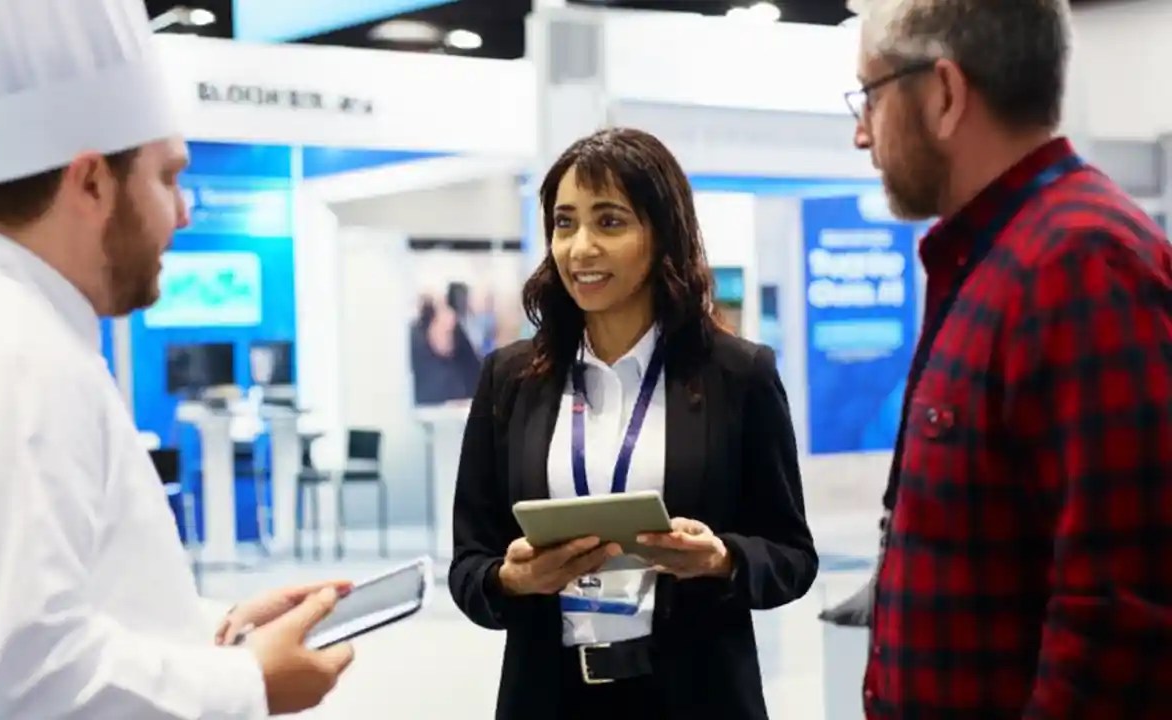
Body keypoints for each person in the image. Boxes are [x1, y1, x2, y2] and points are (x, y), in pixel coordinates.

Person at [0, 1, 353, 717]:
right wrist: (248, 682)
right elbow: (26, 675)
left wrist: (219, 631)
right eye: (168, 178)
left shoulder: (7, 325)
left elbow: (70, 604)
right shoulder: (6, 356)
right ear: (90, 183)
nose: (184, 213)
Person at [837, 0, 1172, 716]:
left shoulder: (1081, 265)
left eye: (870, 94)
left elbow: (1120, 612)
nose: (861, 132)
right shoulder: (1001, 259)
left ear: (945, 93)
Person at [448, 127, 818, 720]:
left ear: (662, 233)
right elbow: (469, 566)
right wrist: (512, 580)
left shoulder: (737, 374)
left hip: (696, 699)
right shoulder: (511, 379)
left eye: (610, 222)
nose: (581, 248)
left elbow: (792, 558)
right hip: (549, 698)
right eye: (565, 223)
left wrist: (720, 558)